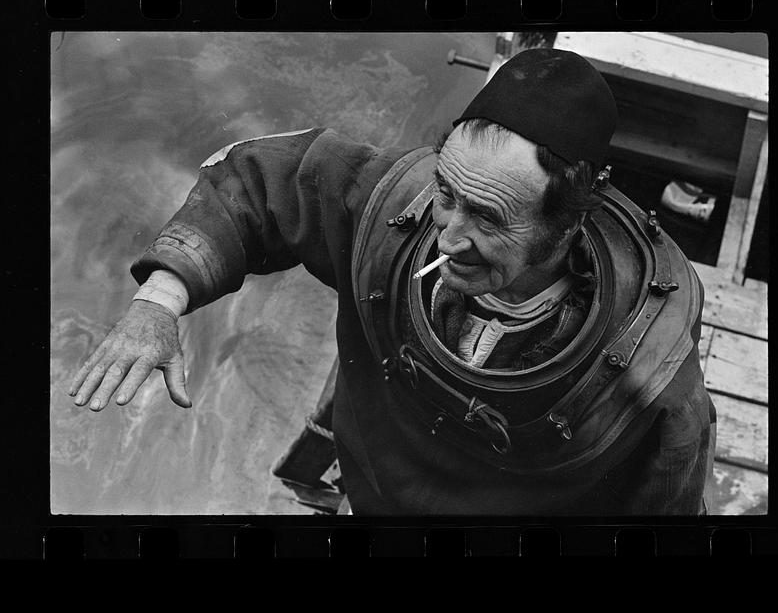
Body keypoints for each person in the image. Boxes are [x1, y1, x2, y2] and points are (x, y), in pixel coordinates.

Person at [68, 48, 716, 516]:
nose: (449, 237)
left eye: (489, 218)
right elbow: (258, 180)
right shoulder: (392, 210)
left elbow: (667, 503)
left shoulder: (648, 371)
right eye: (446, 193)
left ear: (568, 222)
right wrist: (158, 302)